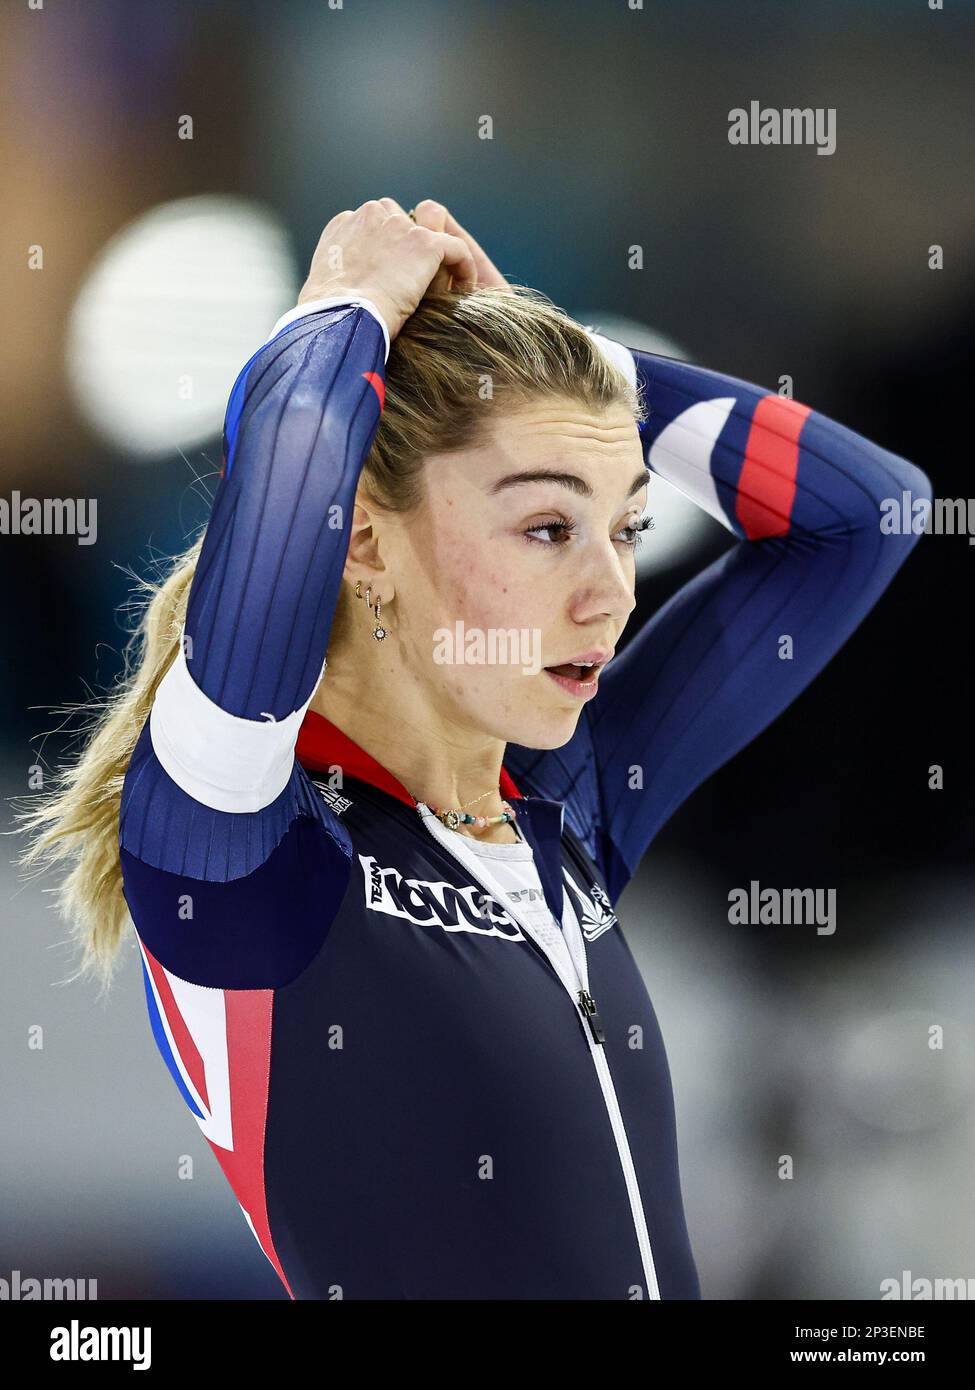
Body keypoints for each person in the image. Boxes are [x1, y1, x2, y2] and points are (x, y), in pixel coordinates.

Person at [21, 198, 932, 1300]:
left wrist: (573, 370)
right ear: (361, 540)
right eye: (549, 527)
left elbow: (870, 511)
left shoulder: (564, 812)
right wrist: (346, 306)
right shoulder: (247, 852)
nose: (611, 592)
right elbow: (305, 441)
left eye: (627, 526)